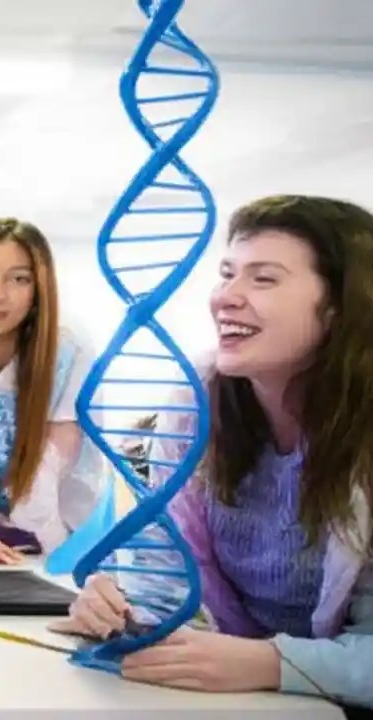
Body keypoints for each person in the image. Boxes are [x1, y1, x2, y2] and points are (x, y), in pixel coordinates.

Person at [52, 195, 372, 715]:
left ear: (339, 307)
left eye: (263, 279)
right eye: (227, 274)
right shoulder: (193, 410)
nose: (226, 297)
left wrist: (270, 663)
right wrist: (123, 604)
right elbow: (168, 564)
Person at [0, 217, 104, 565]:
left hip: (60, 539)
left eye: (19, 279)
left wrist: (59, 566)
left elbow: (46, 480)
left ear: (37, 290)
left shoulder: (67, 349)